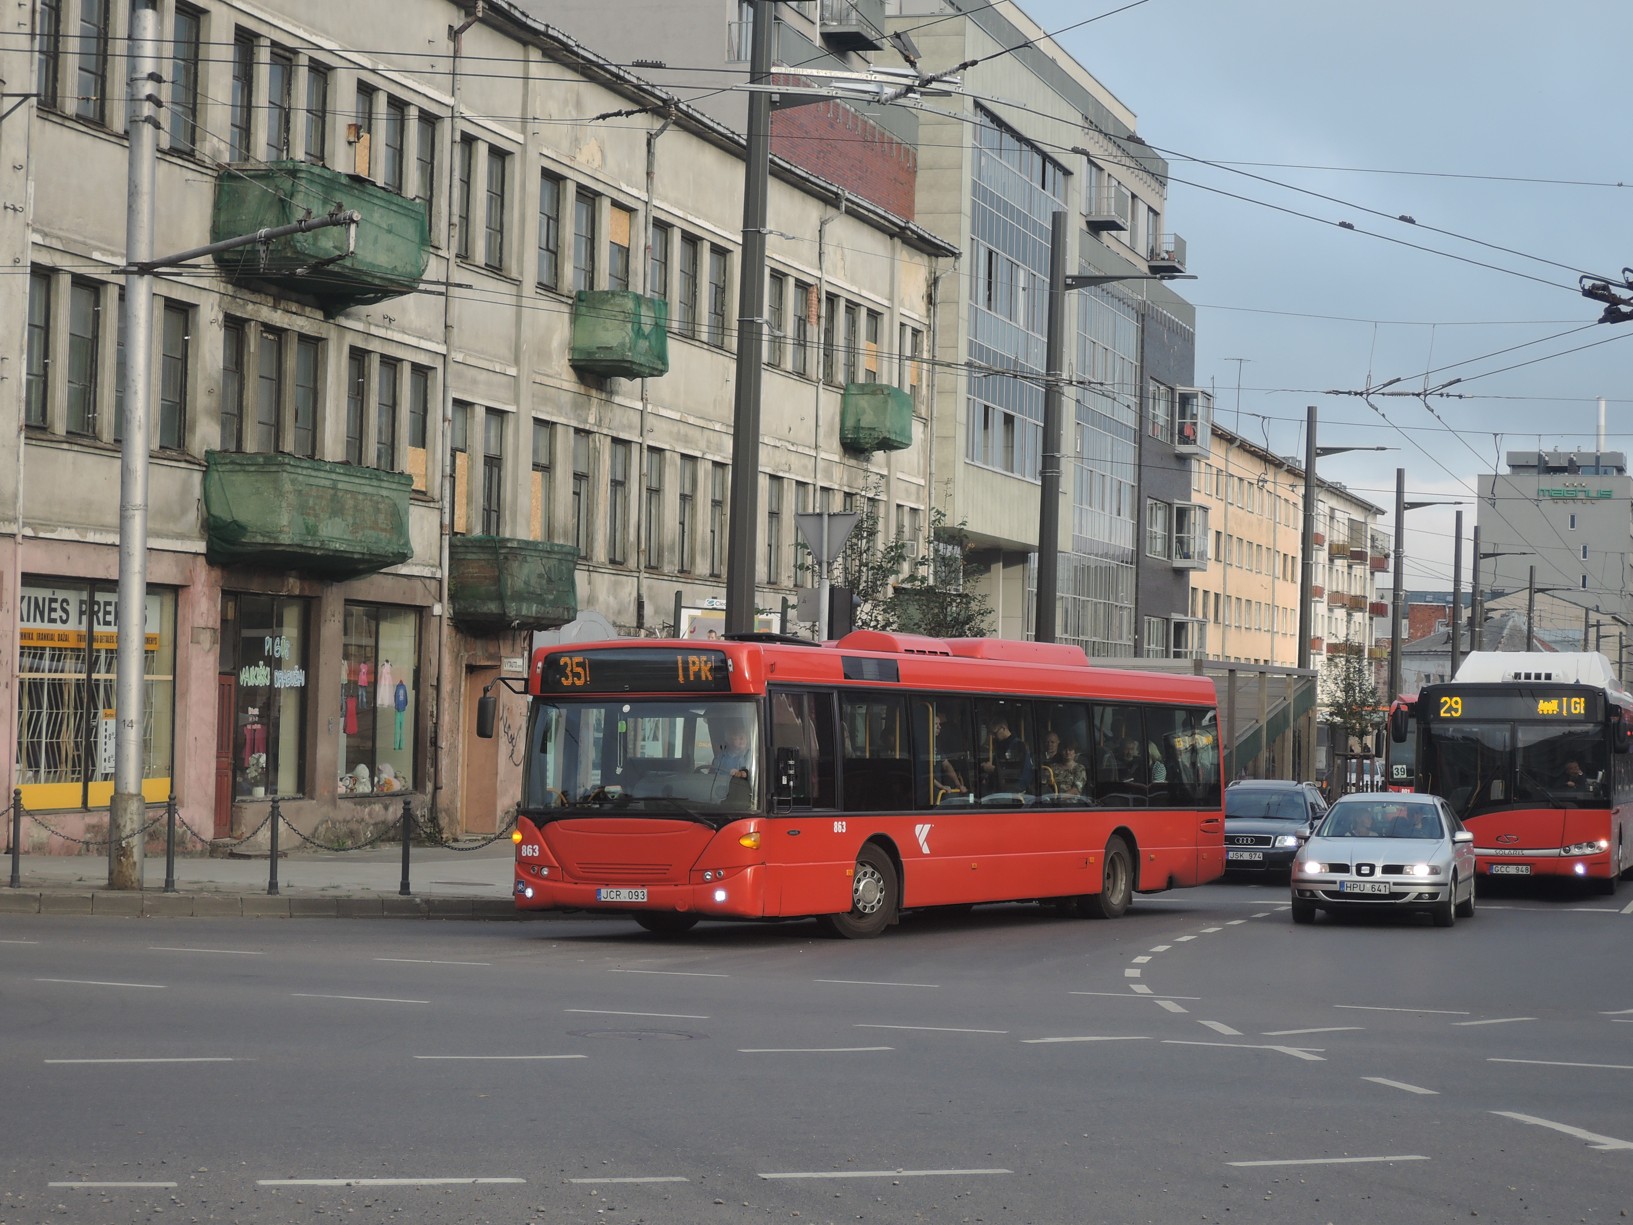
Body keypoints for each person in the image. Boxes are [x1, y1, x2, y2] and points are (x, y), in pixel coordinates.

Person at [980, 717, 1032, 792]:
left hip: (1015, 789)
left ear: (1003, 728)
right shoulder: (1000, 746)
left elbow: (1015, 772)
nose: (993, 737)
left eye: (995, 733)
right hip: (1002, 787)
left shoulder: (1018, 746)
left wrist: (993, 769)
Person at [933, 711, 968, 794]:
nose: (939, 727)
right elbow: (923, 773)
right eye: (935, 724)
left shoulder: (936, 743)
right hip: (927, 792)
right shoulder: (922, 745)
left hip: (939, 791)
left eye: (939, 724)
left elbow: (946, 765)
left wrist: (958, 785)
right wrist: (940, 786)